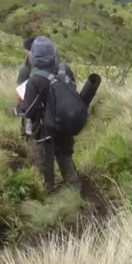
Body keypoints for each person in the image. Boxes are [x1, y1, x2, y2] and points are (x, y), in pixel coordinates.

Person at [16, 36, 81, 192]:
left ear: (34, 57)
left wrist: (19, 109)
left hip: (44, 131)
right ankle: (75, 192)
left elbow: (30, 109)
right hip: (65, 125)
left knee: (44, 168)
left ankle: (48, 199)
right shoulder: (65, 70)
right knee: (65, 158)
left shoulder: (35, 80)